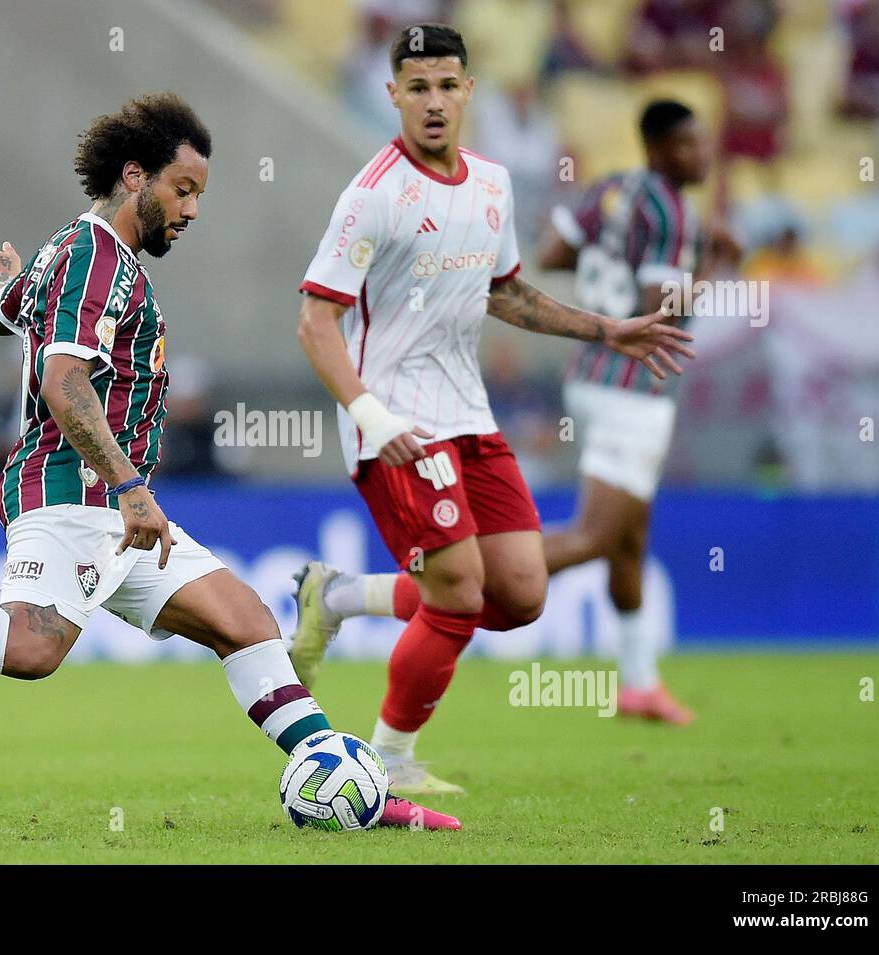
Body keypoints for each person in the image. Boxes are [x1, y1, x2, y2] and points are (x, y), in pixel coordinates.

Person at [0, 93, 455, 830]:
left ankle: (352, 786)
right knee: (30, 648)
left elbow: (7, 312)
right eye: (184, 189)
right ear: (136, 177)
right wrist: (133, 487)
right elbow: (62, 379)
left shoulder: (69, 252)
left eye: (199, 194)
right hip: (72, 493)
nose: (193, 210)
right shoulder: (94, 259)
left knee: (245, 621)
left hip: (112, 506)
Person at [290, 25, 694, 795]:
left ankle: (336, 596)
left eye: (447, 85)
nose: (434, 102)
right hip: (397, 425)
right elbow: (315, 320)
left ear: (468, 90)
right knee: (456, 594)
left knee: (519, 594)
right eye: (418, 88)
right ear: (393, 96)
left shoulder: (492, 183)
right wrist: (373, 419)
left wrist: (606, 327)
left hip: (470, 418)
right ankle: (391, 762)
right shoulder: (372, 194)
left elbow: (505, 291)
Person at [535, 100, 717, 725]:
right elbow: (659, 316)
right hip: (634, 388)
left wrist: (607, 261)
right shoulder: (676, 210)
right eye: (691, 145)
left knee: (629, 540)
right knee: (596, 536)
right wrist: (714, 264)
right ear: (661, 149)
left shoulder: (613, 189)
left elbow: (553, 249)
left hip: (588, 375)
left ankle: (639, 684)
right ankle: (449, 583)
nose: (704, 156)